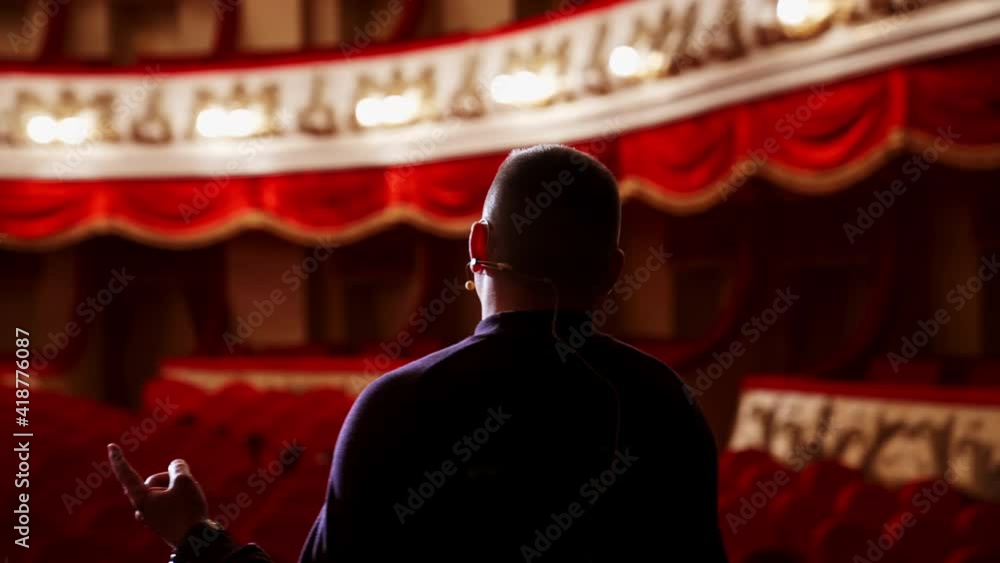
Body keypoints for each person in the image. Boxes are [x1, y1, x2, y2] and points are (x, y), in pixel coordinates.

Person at [108, 144, 729, 563]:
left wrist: (195, 536)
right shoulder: (666, 403)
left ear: (478, 243)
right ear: (613, 271)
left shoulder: (397, 405)